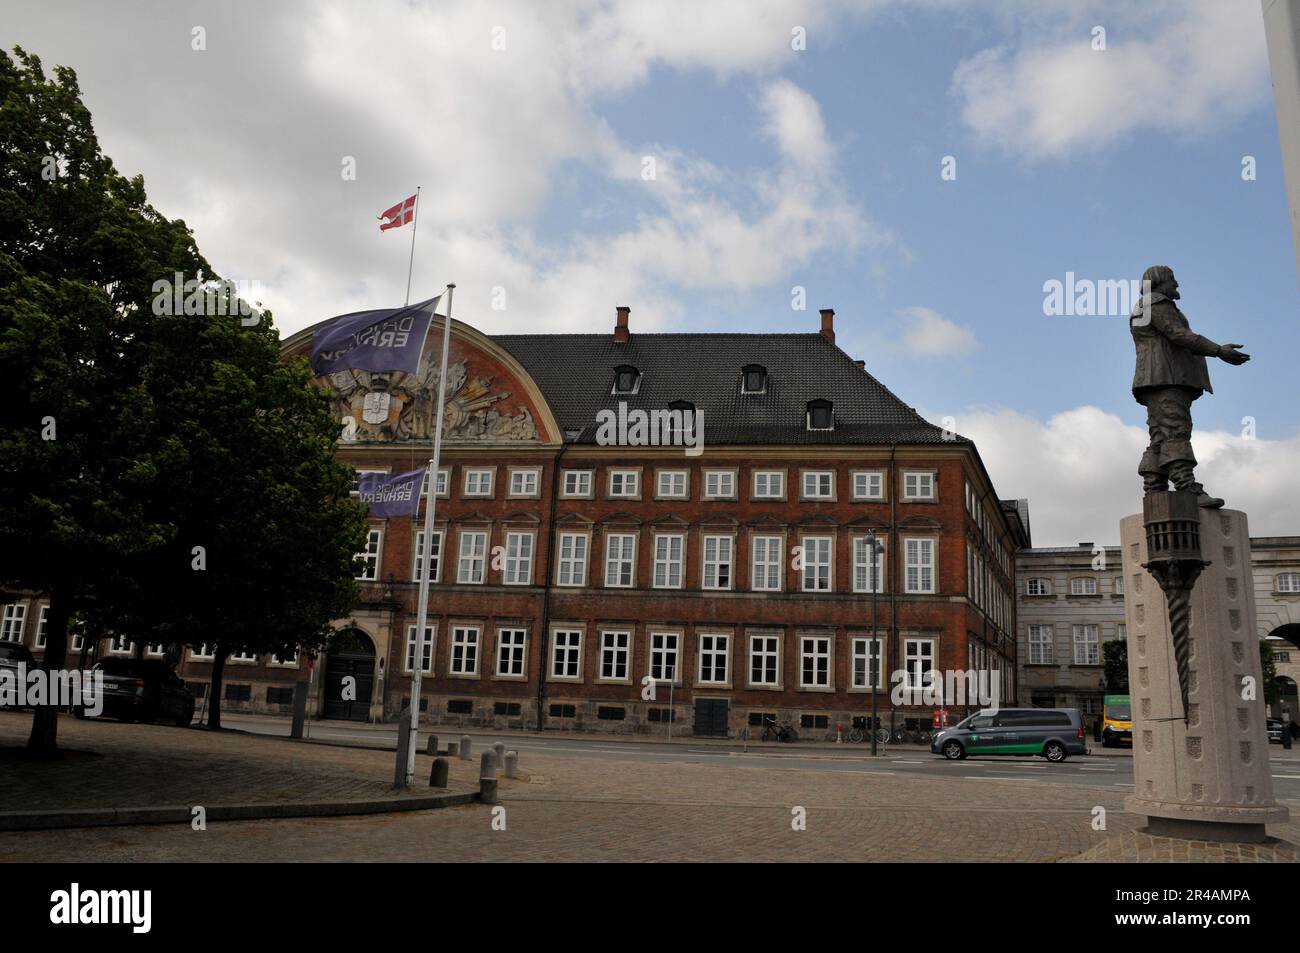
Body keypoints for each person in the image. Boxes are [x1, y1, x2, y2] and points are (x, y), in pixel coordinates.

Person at [1130, 265, 1250, 507]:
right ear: (1159, 282)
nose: (1177, 285)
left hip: (1155, 378)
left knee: (1160, 436)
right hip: (1168, 378)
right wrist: (1218, 350)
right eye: (1172, 280)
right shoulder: (1157, 305)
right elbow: (1180, 335)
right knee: (1176, 430)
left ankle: (1154, 491)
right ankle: (1187, 487)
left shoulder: (1145, 307)